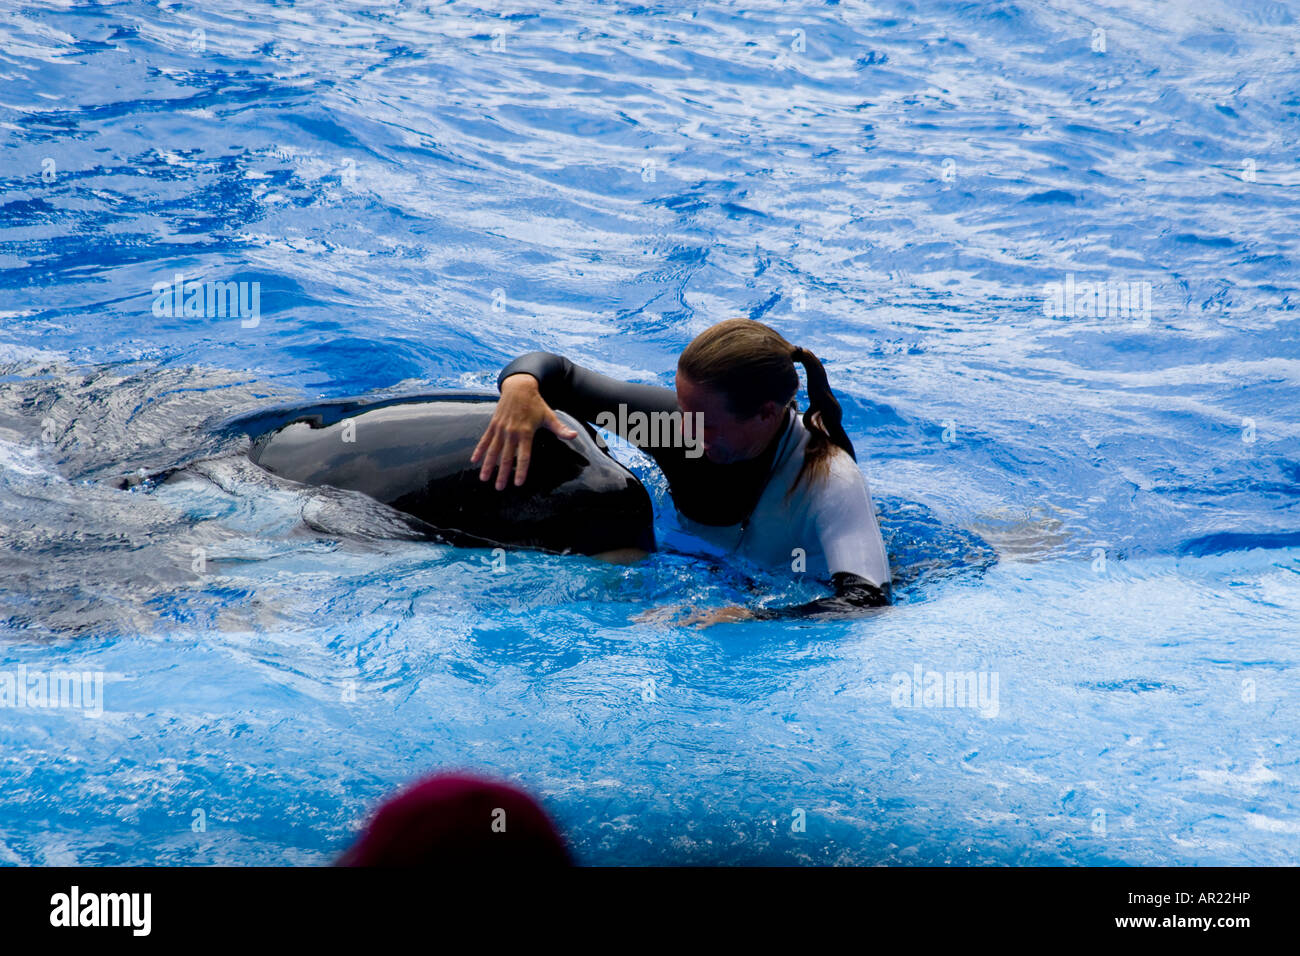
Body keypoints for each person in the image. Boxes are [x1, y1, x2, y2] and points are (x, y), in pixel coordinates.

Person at [471, 318, 891, 624]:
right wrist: (520, 387)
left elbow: (866, 601)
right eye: (682, 409)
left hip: (788, 589)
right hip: (694, 563)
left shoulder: (831, 481)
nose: (685, 431)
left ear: (767, 414)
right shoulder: (674, 428)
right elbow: (558, 373)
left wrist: (754, 618)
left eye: (705, 423)